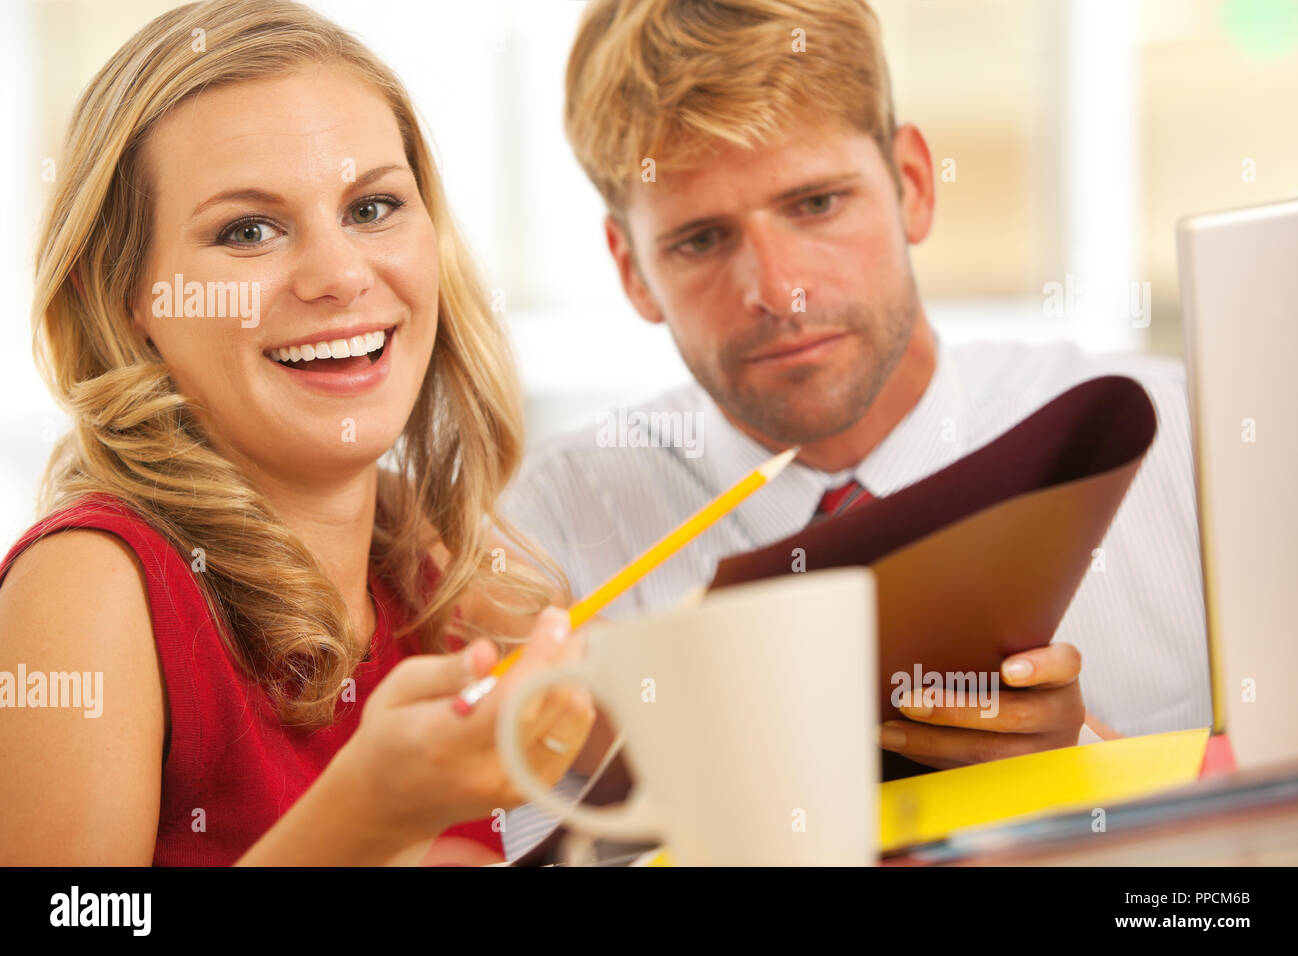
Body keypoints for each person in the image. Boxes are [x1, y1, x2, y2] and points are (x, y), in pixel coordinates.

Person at [501, 0, 1211, 856]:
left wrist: (1079, 768)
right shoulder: (529, 548)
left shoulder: (1187, 448)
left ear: (912, 183)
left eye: (815, 203)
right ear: (634, 272)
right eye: (700, 240)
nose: (777, 287)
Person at [0, 0, 594, 866]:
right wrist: (364, 822)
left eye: (373, 208)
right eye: (249, 230)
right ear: (125, 297)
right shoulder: (91, 588)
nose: (339, 275)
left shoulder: (432, 569)